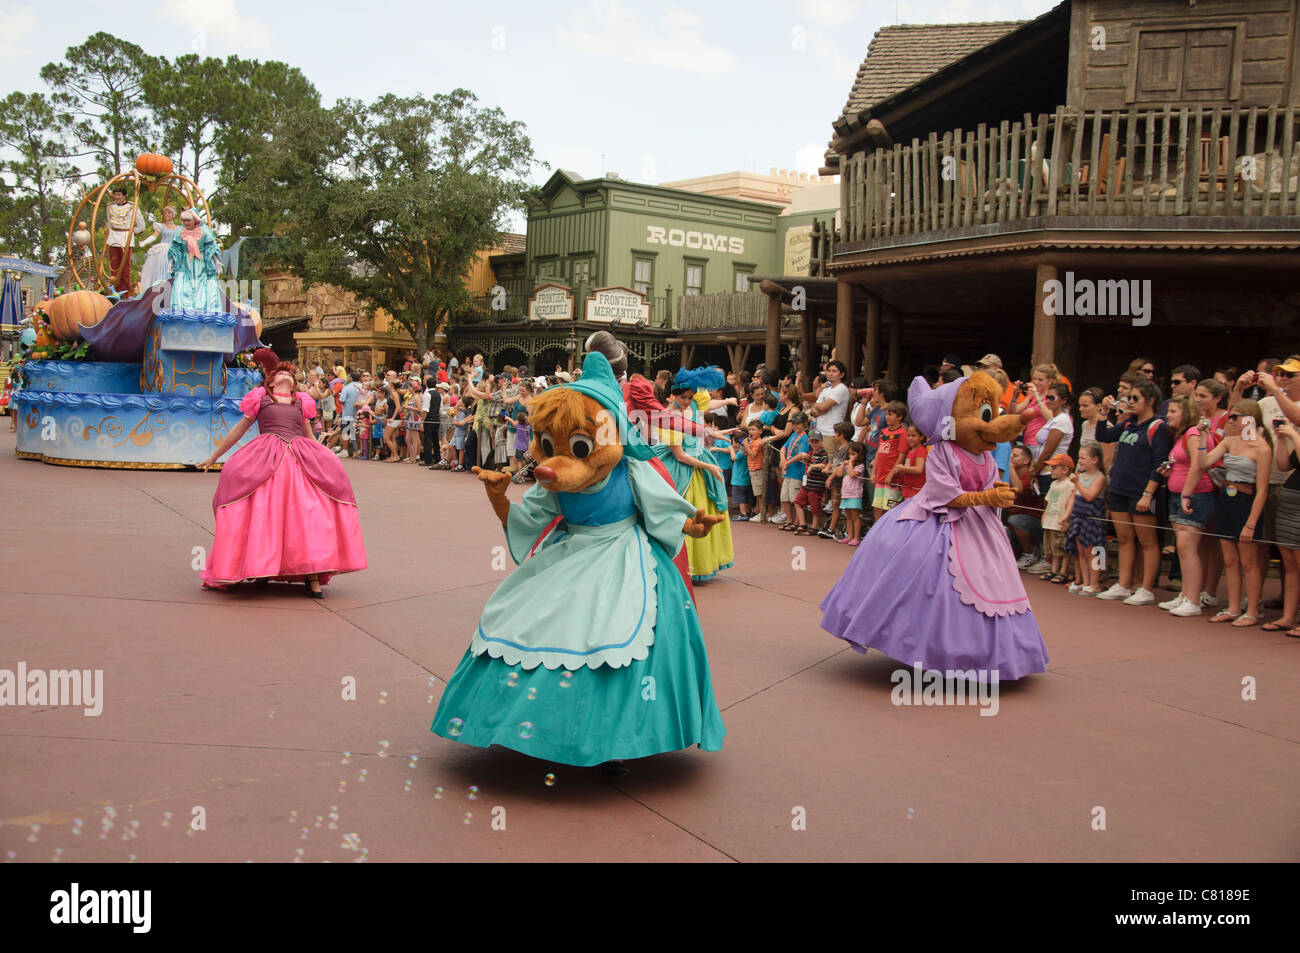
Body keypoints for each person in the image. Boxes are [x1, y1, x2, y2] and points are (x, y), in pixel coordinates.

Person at [431, 351, 726, 768]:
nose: (558, 462)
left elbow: (663, 508)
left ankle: (618, 737)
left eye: (581, 445)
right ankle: (532, 727)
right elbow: (531, 516)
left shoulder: (630, 469)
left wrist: (691, 525)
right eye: (549, 445)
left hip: (625, 557)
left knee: (614, 631)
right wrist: (499, 499)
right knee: (528, 621)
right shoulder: (554, 481)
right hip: (570, 553)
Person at [820, 373, 1048, 680]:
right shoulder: (943, 450)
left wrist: (999, 495)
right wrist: (986, 495)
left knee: (986, 583)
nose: (991, 423)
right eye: (982, 414)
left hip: (979, 528)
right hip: (937, 520)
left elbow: (991, 484)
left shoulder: (986, 457)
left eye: (990, 414)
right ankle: (922, 645)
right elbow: (944, 493)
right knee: (924, 579)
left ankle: (980, 652)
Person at [196, 349, 366, 597]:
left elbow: (310, 437)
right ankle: (261, 567)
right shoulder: (260, 399)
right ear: (270, 380)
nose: (286, 373)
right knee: (265, 515)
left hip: (300, 459)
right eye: (280, 371)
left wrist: (326, 460)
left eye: (289, 372)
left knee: (309, 516)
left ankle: (313, 575)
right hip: (265, 459)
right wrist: (214, 456)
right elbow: (238, 431)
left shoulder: (302, 402)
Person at [651, 367, 734, 582]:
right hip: (682, 468)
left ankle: (702, 565)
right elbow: (679, 456)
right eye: (683, 397)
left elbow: (704, 415)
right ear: (672, 395)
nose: (687, 401)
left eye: (689, 397)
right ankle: (681, 567)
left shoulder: (695, 404)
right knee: (685, 513)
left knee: (709, 510)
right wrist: (709, 467)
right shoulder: (667, 417)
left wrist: (716, 429)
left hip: (701, 460)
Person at [1094, 379, 1171, 605]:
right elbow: (1104, 436)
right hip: (1119, 487)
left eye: (1136, 398)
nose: (1131, 402)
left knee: (1146, 541)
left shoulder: (1159, 426)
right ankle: (1124, 585)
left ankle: (1146, 587)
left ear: (1151, 400)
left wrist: (1149, 493)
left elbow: (1159, 461)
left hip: (1141, 490)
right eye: (1130, 398)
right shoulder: (1129, 424)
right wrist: (1103, 414)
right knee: (1125, 538)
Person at [1200, 400, 1273, 626]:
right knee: (1230, 559)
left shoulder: (1262, 448)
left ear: (1251, 419)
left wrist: (1251, 523)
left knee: (1248, 561)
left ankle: (1252, 609)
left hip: (1247, 501)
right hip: (1227, 498)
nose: (1231, 421)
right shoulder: (1229, 441)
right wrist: (1203, 437)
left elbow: (1262, 491)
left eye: (1236, 417)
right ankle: (1232, 607)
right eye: (1230, 417)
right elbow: (1204, 462)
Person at [1160, 395, 1214, 617]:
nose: (1168, 415)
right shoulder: (1180, 435)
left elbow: (1198, 466)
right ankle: (1185, 594)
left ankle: (1193, 600)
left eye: (1173, 411)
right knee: (1183, 548)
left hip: (1195, 496)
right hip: (1176, 494)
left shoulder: (1192, 433)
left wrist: (1186, 494)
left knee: (1186, 547)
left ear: (1186, 413)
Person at [1065, 443, 1107, 594]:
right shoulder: (1081, 476)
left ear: (1095, 460)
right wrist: (1066, 515)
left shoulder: (1100, 477)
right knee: (1081, 551)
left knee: (1094, 551)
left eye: (1083, 458)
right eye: (1079, 458)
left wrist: (1077, 482)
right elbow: (1073, 497)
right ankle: (1086, 581)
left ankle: (1095, 583)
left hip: (1092, 518)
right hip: (1078, 517)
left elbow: (1090, 496)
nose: (1080, 461)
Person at [1271, 418, 1300, 637]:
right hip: (1290, 503)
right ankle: (1289, 616)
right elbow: (1283, 465)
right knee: (1289, 563)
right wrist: (1281, 439)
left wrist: (1292, 435)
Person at [168, 209, 223, 311]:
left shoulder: (204, 231)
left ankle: (201, 310)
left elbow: (211, 247)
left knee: (201, 284)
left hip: (200, 263)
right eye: (183, 220)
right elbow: (174, 249)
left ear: (194, 220)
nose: (186, 223)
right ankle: (182, 310)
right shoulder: (180, 232)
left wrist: (217, 262)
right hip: (185, 263)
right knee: (182, 284)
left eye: (188, 220)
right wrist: (171, 262)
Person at [1038, 453, 1076, 583]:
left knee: (1062, 548)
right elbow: (1048, 502)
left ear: (1065, 469)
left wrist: (1067, 519)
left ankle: (1063, 571)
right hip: (1051, 520)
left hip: (1061, 521)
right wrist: (1044, 514)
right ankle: (1054, 570)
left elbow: (1071, 503)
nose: (1051, 470)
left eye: (1054, 467)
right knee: (1052, 548)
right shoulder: (1053, 484)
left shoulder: (1070, 484)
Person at [871, 401, 908, 521]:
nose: (887, 417)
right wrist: (873, 473)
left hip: (892, 479)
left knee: (890, 509)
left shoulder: (903, 433)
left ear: (899, 416)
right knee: (877, 507)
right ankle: (876, 534)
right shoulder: (883, 432)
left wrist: (891, 474)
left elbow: (901, 456)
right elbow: (879, 452)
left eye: (891, 414)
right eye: (886, 414)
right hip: (880, 476)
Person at [105, 185, 145, 294]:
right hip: (113, 239)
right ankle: (114, 292)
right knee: (113, 268)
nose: (117, 197)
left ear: (124, 196)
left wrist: (130, 232)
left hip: (126, 240)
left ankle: (125, 294)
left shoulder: (133, 207)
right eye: (115, 195)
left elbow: (141, 226)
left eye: (119, 195)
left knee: (125, 269)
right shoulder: (109, 207)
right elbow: (109, 223)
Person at [793, 432, 829, 536]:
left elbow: (824, 464)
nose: (814, 443)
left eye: (816, 441)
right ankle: (803, 523)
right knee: (797, 502)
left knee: (815, 507)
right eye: (812, 441)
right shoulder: (811, 452)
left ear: (821, 441)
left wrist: (812, 466)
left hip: (816, 485)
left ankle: (814, 527)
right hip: (807, 484)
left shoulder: (823, 452)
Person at [137, 206, 179, 290]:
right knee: (163, 270)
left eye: (169, 213)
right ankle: (161, 289)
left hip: (174, 251)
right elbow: (154, 236)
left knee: (174, 271)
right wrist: (144, 242)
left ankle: (173, 289)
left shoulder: (179, 228)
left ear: (173, 215)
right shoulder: (161, 226)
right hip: (163, 251)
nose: (167, 214)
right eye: (165, 213)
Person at [838, 442, 867, 545]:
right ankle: (849, 536)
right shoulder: (848, 465)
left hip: (854, 494)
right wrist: (843, 464)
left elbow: (852, 474)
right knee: (848, 516)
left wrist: (850, 463)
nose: (851, 456)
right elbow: (839, 473)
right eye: (850, 454)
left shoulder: (860, 466)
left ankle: (856, 538)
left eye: (853, 454)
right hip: (845, 493)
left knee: (855, 517)